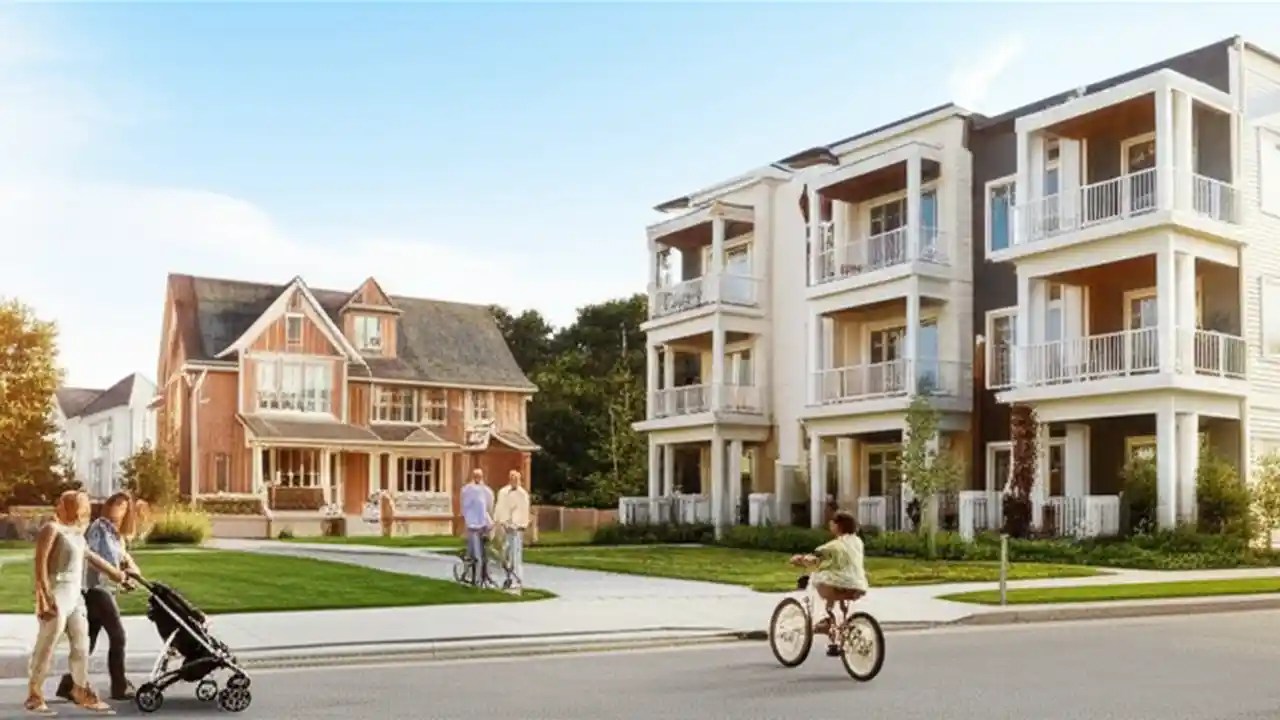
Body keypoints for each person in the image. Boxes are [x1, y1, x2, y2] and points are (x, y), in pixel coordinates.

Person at [26, 490, 130, 715]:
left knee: (82, 646)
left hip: (75, 597)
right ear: (68, 505)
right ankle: (35, 695)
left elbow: (94, 558)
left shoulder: (77, 534)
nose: (85, 509)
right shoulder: (51, 529)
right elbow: (40, 564)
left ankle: (80, 690)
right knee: (47, 645)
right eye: (80, 504)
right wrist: (44, 596)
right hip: (57, 593)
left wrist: (119, 575)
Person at [56, 492, 142, 702]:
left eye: (122, 506)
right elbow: (92, 557)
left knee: (90, 641)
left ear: (127, 512)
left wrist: (131, 574)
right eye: (115, 503)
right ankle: (119, 686)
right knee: (118, 636)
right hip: (96, 590)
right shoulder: (99, 528)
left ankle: (69, 684)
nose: (118, 508)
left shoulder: (116, 535)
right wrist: (118, 575)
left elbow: (123, 559)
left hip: (105, 589)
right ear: (108, 505)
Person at [789, 510, 869, 657]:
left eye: (832, 523)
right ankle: (835, 640)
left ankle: (822, 619)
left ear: (837, 526)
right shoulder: (858, 542)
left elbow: (815, 557)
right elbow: (841, 561)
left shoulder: (834, 545)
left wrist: (799, 559)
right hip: (859, 585)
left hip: (840, 583)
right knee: (835, 591)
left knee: (816, 580)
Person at [494, 470, 531, 591]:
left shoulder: (523, 494)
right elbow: (500, 508)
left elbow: (523, 511)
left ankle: (517, 579)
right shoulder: (503, 492)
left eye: (516, 478)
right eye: (512, 478)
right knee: (504, 554)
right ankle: (508, 577)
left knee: (515, 555)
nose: (514, 480)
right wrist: (501, 522)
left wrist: (519, 525)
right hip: (505, 527)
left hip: (516, 529)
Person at [459, 468, 494, 583]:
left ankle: (482, 575)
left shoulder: (486, 490)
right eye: (476, 475)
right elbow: (465, 507)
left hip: (483, 525)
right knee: (473, 553)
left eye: (480, 475)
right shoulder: (467, 490)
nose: (478, 478)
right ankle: (471, 575)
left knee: (484, 553)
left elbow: (489, 507)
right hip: (472, 526)